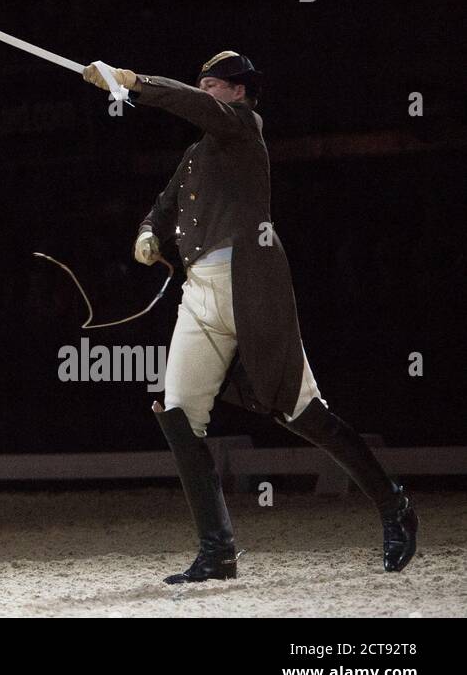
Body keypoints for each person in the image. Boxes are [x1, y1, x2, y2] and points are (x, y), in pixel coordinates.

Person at [83, 51, 418, 583]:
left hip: (252, 287)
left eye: (213, 85)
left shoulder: (244, 128)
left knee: (301, 411)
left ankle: (393, 502)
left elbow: (193, 105)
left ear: (238, 92)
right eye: (202, 85)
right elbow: (161, 206)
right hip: (199, 296)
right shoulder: (194, 157)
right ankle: (217, 552)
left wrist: (133, 82)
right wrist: (148, 234)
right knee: (177, 412)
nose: (204, 92)